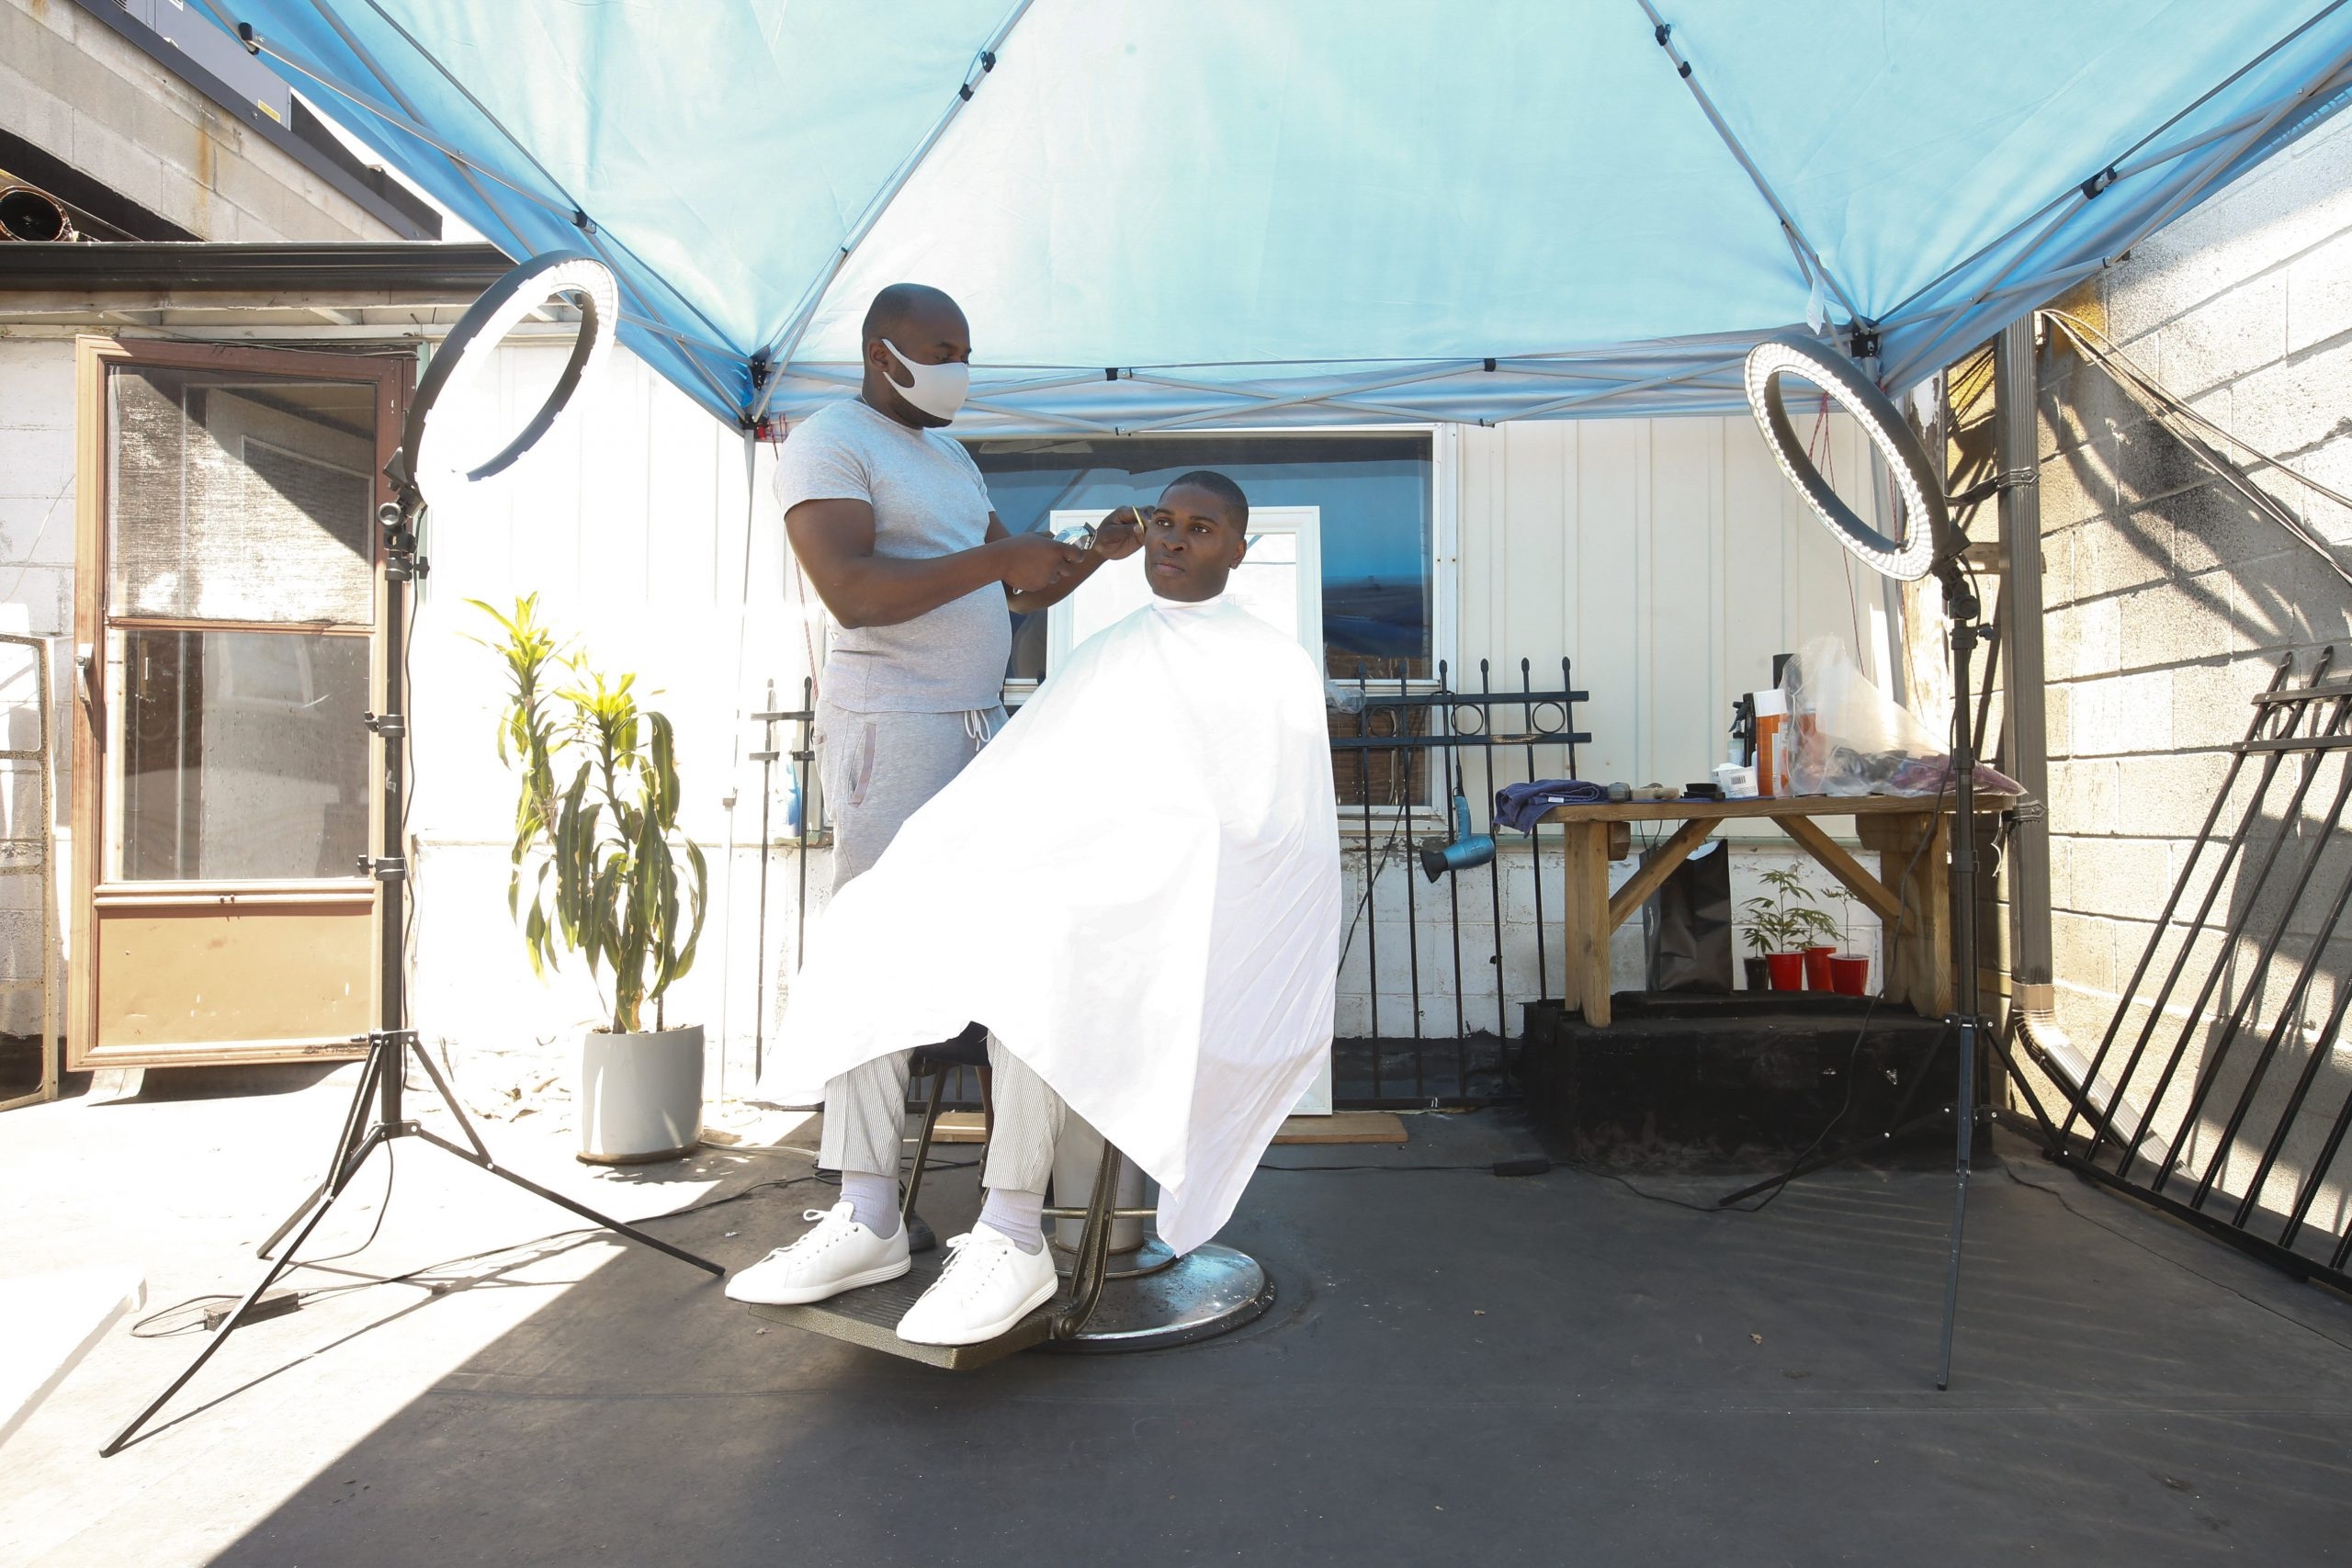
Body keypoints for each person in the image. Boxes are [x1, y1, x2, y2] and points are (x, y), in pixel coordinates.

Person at [734, 470, 1340, 1348]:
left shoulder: (1269, 663)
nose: (1173, 540)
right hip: (1071, 878)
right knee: (873, 918)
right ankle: (866, 1213)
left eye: (1200, 530)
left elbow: (1264, 830)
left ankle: (1013, 1233)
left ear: (1238, 553)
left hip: (1176, 912)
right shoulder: (1112, 649)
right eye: (1164, 522)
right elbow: (1033, 779)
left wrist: (1132, 850)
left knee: (1042, 949)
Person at [724, 282, 1140, 1326]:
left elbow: (1011, 589)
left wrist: (1087, 555)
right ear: (881, 353)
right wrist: (1002, 557)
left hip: (977, 724)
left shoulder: (951, 458)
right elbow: (854, 593)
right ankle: (864, 1213)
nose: (960, 366)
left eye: (966, 350)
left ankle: (1009, 1226)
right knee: (875, 959)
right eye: (940, 348)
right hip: (892, 730)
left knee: (1019, 960)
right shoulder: (831, 441)